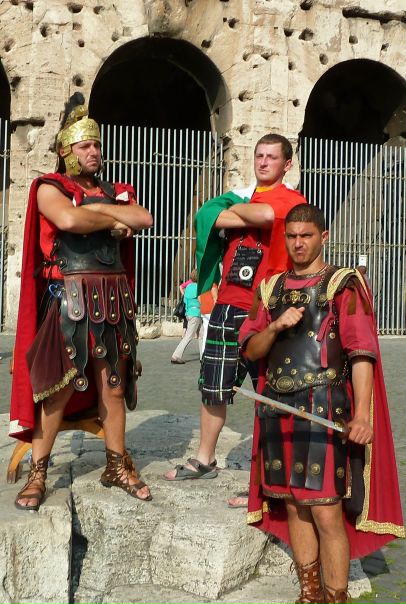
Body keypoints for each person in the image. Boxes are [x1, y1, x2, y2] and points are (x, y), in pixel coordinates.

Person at [239, 204, 404, 603]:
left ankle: (336, 596)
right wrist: (276, 326)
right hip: (278, 410)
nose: (298, 243)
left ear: (323, 237)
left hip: (325, 408)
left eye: (306, 236)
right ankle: (310, 594)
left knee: (326, 510)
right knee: (295, 506)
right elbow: (251, 349)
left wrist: (362, 415)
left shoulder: (343, 285)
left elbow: (362, 353)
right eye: (292, 236)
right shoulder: (270, 289)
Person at [9, 93, 154, 510]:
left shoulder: (117, 189)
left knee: (114, 386)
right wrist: (113, 217)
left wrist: (102, 212)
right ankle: (39, 472)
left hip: (113, 299)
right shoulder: (48, 187)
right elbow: (68, 219)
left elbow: (143, 218)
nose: (94, 152)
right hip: (69, 300)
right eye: (85, 146)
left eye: (97, 145)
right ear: (65, 151)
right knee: (57, 388)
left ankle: (116, 466)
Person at [165, 133, 306, 481]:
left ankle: (268, 476)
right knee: (213, 387)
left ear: (287, 164)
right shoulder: (241, 197)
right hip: (227, 304)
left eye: (272, 157)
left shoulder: (293, 200)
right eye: (259, 155)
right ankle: (205, 459)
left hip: (265, 310)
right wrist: (239, 212)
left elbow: (267, 214)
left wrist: (234, 212)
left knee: (270, 392)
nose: (263, 162)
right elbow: (210, 217)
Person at [171, 269, 202, 364]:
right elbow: (201, 300)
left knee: (201, 335)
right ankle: (176, 355)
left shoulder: (188, 287)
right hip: (196, 313)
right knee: (189, 336)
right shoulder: (199, 288)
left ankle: (203, 356)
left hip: (189, 313)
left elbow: (185, 300)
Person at [198, 282, 218, 358]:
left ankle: (203, 353)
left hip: (204, 309)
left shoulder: (202, 284)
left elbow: (199, 298)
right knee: (214, 332)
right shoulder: (213, 284)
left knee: (206, 332)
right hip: (211, 309)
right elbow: (215, 298)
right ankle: (212, 352)